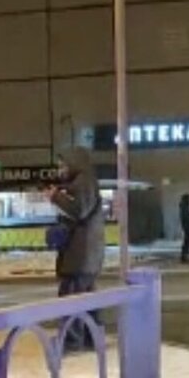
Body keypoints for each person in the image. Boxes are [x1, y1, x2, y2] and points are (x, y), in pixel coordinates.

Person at [48, 146, 105, 352]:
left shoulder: (83, 183)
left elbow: (80, 211)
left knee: (70, 299)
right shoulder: (83, 183)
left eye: (63, 164)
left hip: (80, 256)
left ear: (74, 163)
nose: (60, 169)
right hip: (85, 257)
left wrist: (56, 197)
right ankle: (92, 339)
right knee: (88, 300)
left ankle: (72, 343)